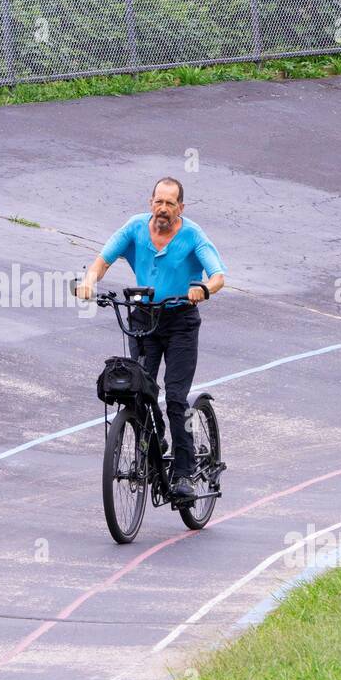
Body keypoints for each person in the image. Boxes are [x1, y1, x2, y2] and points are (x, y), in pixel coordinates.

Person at [78, 176, 226, 498]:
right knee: (138, 390)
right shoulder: (134, 228)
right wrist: (89, 279)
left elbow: (218, 276)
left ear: (180, 208)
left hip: (181, 323)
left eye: (170, 204)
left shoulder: (193, 235)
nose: (162, 209)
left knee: (175, 398)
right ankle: (155, 439)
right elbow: (102, 261)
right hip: (144, 319)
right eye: (158, 202)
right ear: (150, 204)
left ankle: (185, 472)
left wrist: (202, 289)